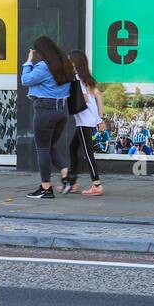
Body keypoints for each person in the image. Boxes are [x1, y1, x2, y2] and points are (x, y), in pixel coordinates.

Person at [20, 36, 72, 199]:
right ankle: (65, 174)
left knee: (42, 148)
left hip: (45, 110)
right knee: (48, 147)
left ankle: (45, 189)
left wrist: (28, 61)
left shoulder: (43, 66)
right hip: (61, 111)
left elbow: (25, 80)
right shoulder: (66, 65)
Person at [59, 50, 107, 197]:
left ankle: (97, 184)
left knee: (87, 153)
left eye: (69, 61)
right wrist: (100, 118)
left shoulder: (77, 79)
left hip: (84, 122)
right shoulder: (86, 78)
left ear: (74, 63)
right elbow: (98, 96)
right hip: (88, 120)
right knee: (73, 148)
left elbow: (85, 99)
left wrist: (68, 95)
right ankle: (72, 183)